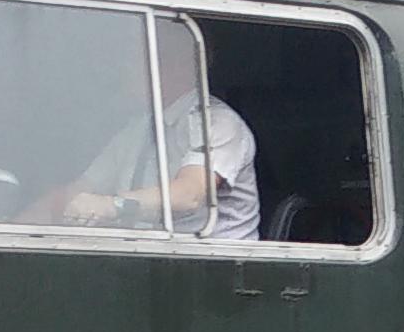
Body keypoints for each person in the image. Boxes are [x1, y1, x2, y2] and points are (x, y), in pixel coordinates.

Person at [29, 80, 262, 240]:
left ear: (167, 61)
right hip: (149, 264)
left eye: (133, 57)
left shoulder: (219, 122)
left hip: (217, 279)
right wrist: (16, 227)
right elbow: (79, 191)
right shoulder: (137, 128)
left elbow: (189, 194)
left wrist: (112, 205)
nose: (122, 70)